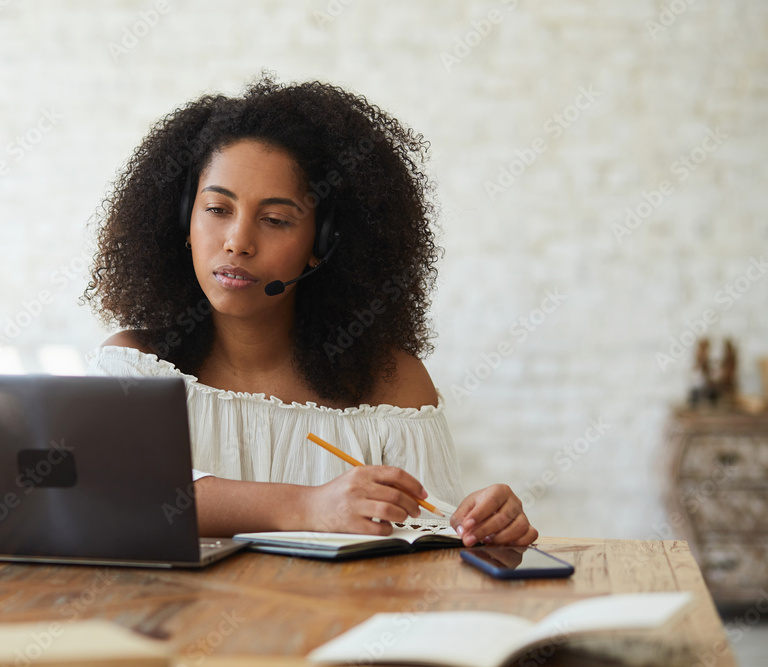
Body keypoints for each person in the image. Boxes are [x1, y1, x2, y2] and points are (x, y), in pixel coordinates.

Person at [83, 74, 537, 547]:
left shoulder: (395, 391)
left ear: (322, 244)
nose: (238, 241)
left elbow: (429, 546)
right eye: (218, 209)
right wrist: (307, 506)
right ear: (184, 222)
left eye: (276, 220)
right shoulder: (133, 369)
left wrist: (482, 528)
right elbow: (111, 498)